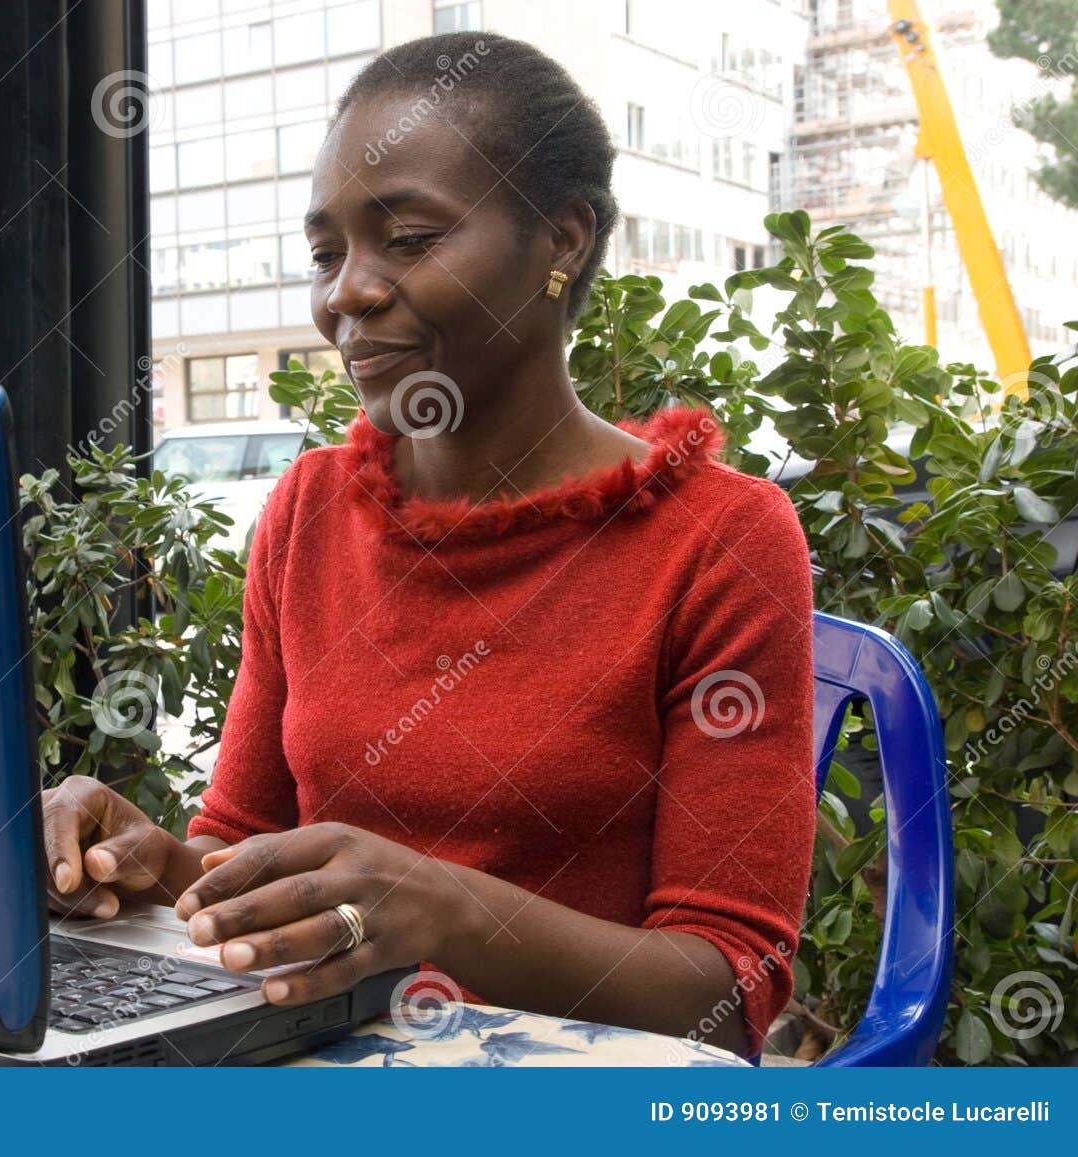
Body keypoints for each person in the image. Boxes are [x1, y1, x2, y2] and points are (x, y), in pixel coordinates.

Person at [43, 32, 815, 1056]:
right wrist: (154, 863)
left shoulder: (718, 539)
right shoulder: (309, 511)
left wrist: (443, 912)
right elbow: (243, 846)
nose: (345, 294)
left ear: (562, 240)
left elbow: (728, 984)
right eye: (325, 253)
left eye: (406, 239)